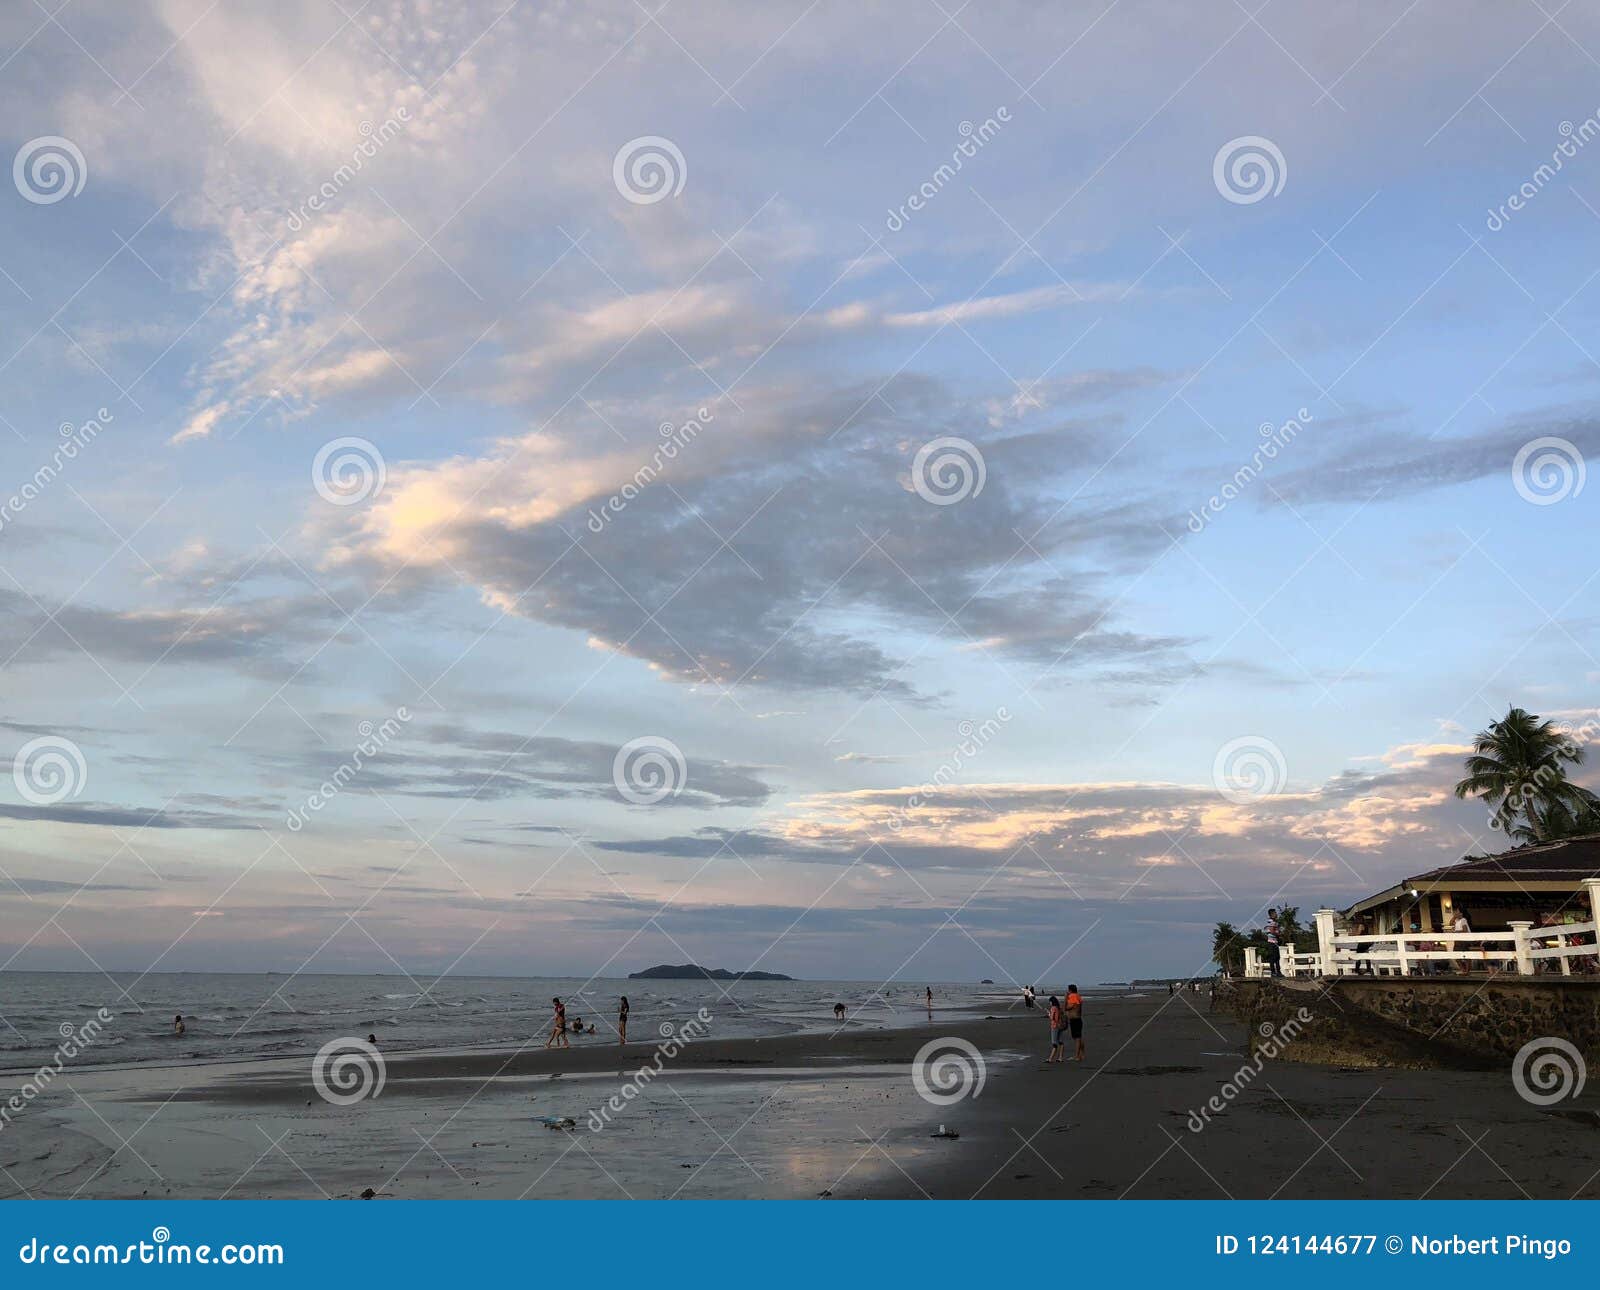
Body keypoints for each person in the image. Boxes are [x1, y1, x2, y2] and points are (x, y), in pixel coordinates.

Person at [1065, 985, 1085, 1061]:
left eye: (1068, 990)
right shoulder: (1078, 996)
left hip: (1075, 1020)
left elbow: (1066, 1008)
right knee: (1079, 1038)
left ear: (1070, 990)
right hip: (1077, 1019)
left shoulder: (1073, 996)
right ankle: (1081, 1054)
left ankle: (1077, 1056)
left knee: (1077, 1038)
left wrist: (1066, 998)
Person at [1045, 996, 1064, 1064]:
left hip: (1055, 1026)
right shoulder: (1059, 1007)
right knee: (1060, 1042)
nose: (1049, 1003)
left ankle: (1050, 1059)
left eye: (1050, 1001)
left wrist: (1049, 1014)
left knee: (1054, 1043)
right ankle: (1060, 1057)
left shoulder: (1053, 1008)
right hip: (1060, 1025)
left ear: (1052, 1002)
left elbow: (1052, 1018)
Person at [1265, 909, 1282, 977]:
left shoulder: (1273, 922)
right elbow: (1272, 931)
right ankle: (1273, 972)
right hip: (1272, 942)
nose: (1276, 914)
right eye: (1275, 913)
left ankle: (1278, 972)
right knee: (1273, 957)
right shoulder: (1271, 922)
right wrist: (1278, 934)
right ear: (1271, 914)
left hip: (1275, 942)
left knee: (1277, 957)